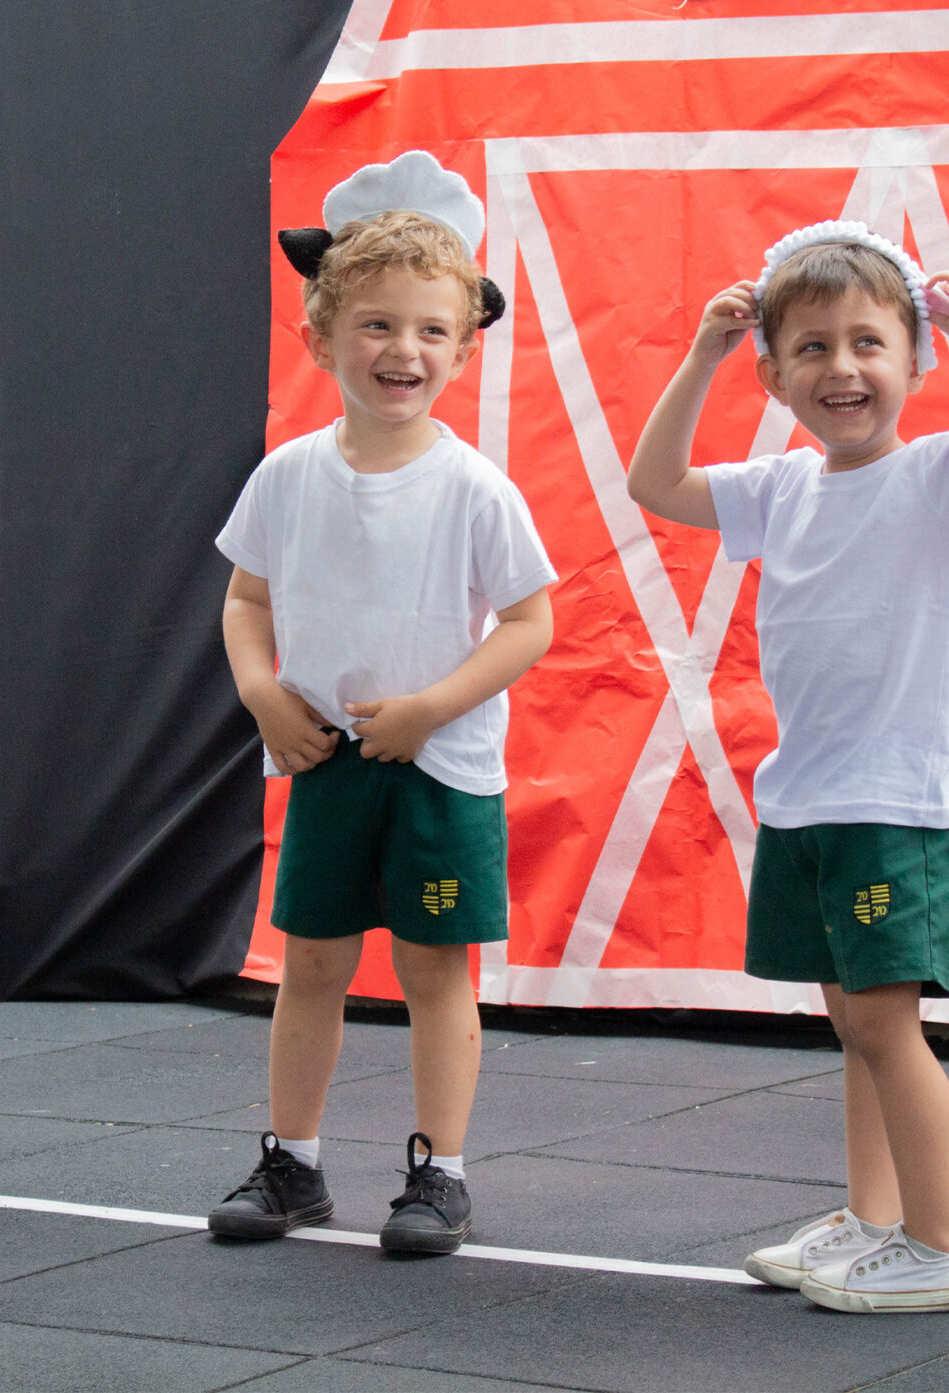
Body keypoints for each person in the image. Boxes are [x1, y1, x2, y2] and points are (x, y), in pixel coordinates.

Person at [626, 221, 949, 1311]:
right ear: (772, 375)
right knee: (854, 1025)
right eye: (811, 348)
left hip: (891, 803)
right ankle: (874, 1219)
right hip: (808, 798)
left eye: (869, 343)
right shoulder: (779, 489)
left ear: (914, 362)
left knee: (882, 1024)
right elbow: (654, 480)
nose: (841, 368)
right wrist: (699, 356)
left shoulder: (937, 475)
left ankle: (937, 1246)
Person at [208, 152, 556, 1254]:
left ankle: (439, 1174)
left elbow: (529, 623)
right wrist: (262, 692)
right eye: (373, 325)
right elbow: (243, 601)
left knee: (430, 966)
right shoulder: (286, 476)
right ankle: (293, 1162)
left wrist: (428, 710)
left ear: (463, 347)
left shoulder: (474, 488)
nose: (400, 351)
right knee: (309, 959)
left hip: (439, 768)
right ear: (319, 336)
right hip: (321, 761)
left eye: (427, 330)